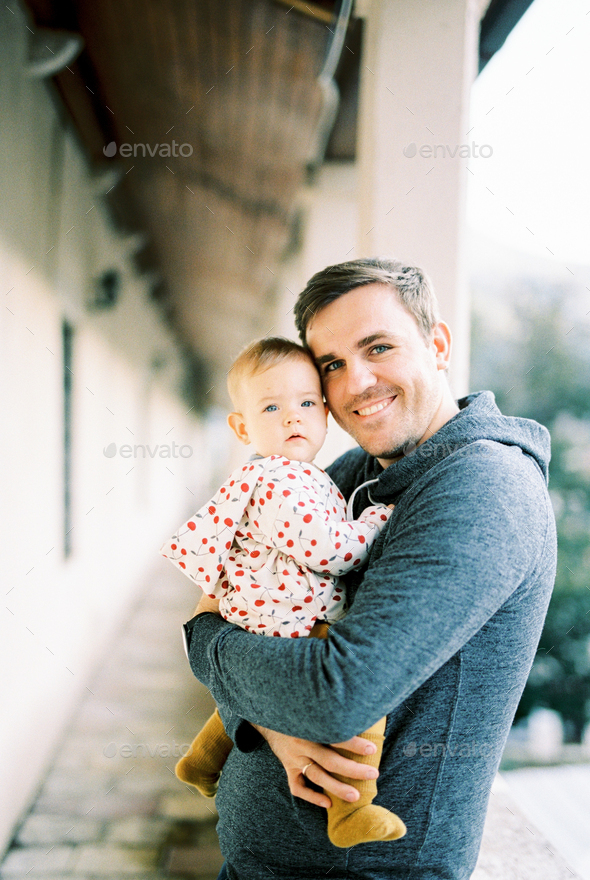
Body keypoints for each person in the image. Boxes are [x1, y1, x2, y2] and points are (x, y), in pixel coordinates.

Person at [180, 258, 557, 880]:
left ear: (437, 344)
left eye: (377, 347)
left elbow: (334, 694)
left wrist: (206, 645)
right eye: (331, 364)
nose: (356, 383)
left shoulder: (484, 489)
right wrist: (273, 723)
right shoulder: (355, 472)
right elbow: (235, 589)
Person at [161, 337, 406, 847]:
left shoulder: (284, 474)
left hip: (258, 614)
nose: (293, 417)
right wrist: (376, 520)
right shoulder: (281, 481)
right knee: (370, 707)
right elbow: (330, 551)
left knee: (249, 697)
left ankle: (201, 763)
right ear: (242, 426)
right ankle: (350, 811)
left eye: (307, 403)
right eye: (272, 406)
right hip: (287, 619)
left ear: (325, 411)